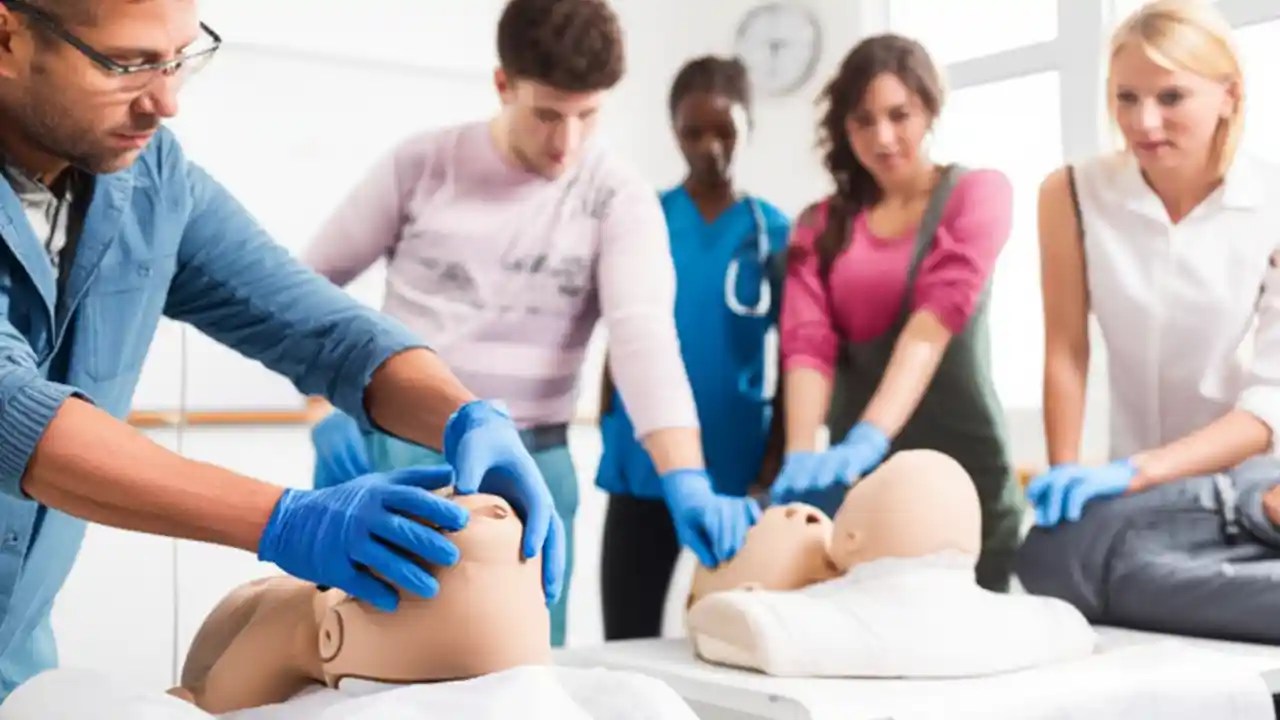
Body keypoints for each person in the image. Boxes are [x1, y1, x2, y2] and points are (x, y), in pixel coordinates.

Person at [0, 0, 563, 701]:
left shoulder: (147, 182)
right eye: (130, 64)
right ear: (8, 37)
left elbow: (320, 328)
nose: (166, 100)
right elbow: (18, 424)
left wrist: (467, 415)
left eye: (181, 57)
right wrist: (286, 521)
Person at [301, 0, 759, 647]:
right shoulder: (422, 166)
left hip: (532, 465)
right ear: (502, 85)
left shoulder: (616, 198)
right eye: (547, 114)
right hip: (397, 452)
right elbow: (307, 289)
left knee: (525, 671)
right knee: (372, 660)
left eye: (587, 116)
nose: (565, 143)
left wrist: (685, 476)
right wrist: (322, 407)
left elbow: (643, 337)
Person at [771, 34, 1024, 591]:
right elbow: (807, 346)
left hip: (966, 475)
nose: (883, 137)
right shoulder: (818, 226)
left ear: (930, 109)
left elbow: (929, 330)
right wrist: (799, 458)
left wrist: (868, 437)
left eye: (899, 115)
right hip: (863, 493)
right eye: (863, 120)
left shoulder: (977, 194)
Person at [1027, 0, 1280, 531]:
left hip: (1247, 484)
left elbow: (1271, 398)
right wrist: (1065, 471)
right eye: (1126, 98)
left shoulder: (1273, 203)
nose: (1143, 123)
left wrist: (1138, 471)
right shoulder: (1071, 193)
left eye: (1171, 97)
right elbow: (1067, 350)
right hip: (1126, 480)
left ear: (1228, 95)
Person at [593, 55, 790, 641]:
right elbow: (623, 339)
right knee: (628, 638)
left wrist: (774, 459)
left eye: (725, 130)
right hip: (643, 466)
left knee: (738, 641)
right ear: (673, 129)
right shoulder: (644, 217)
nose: (709, 146)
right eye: (693, 131)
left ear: (749, 125)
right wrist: (609, 426)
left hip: (737, 470)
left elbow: (798, 357)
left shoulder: (773, 232)